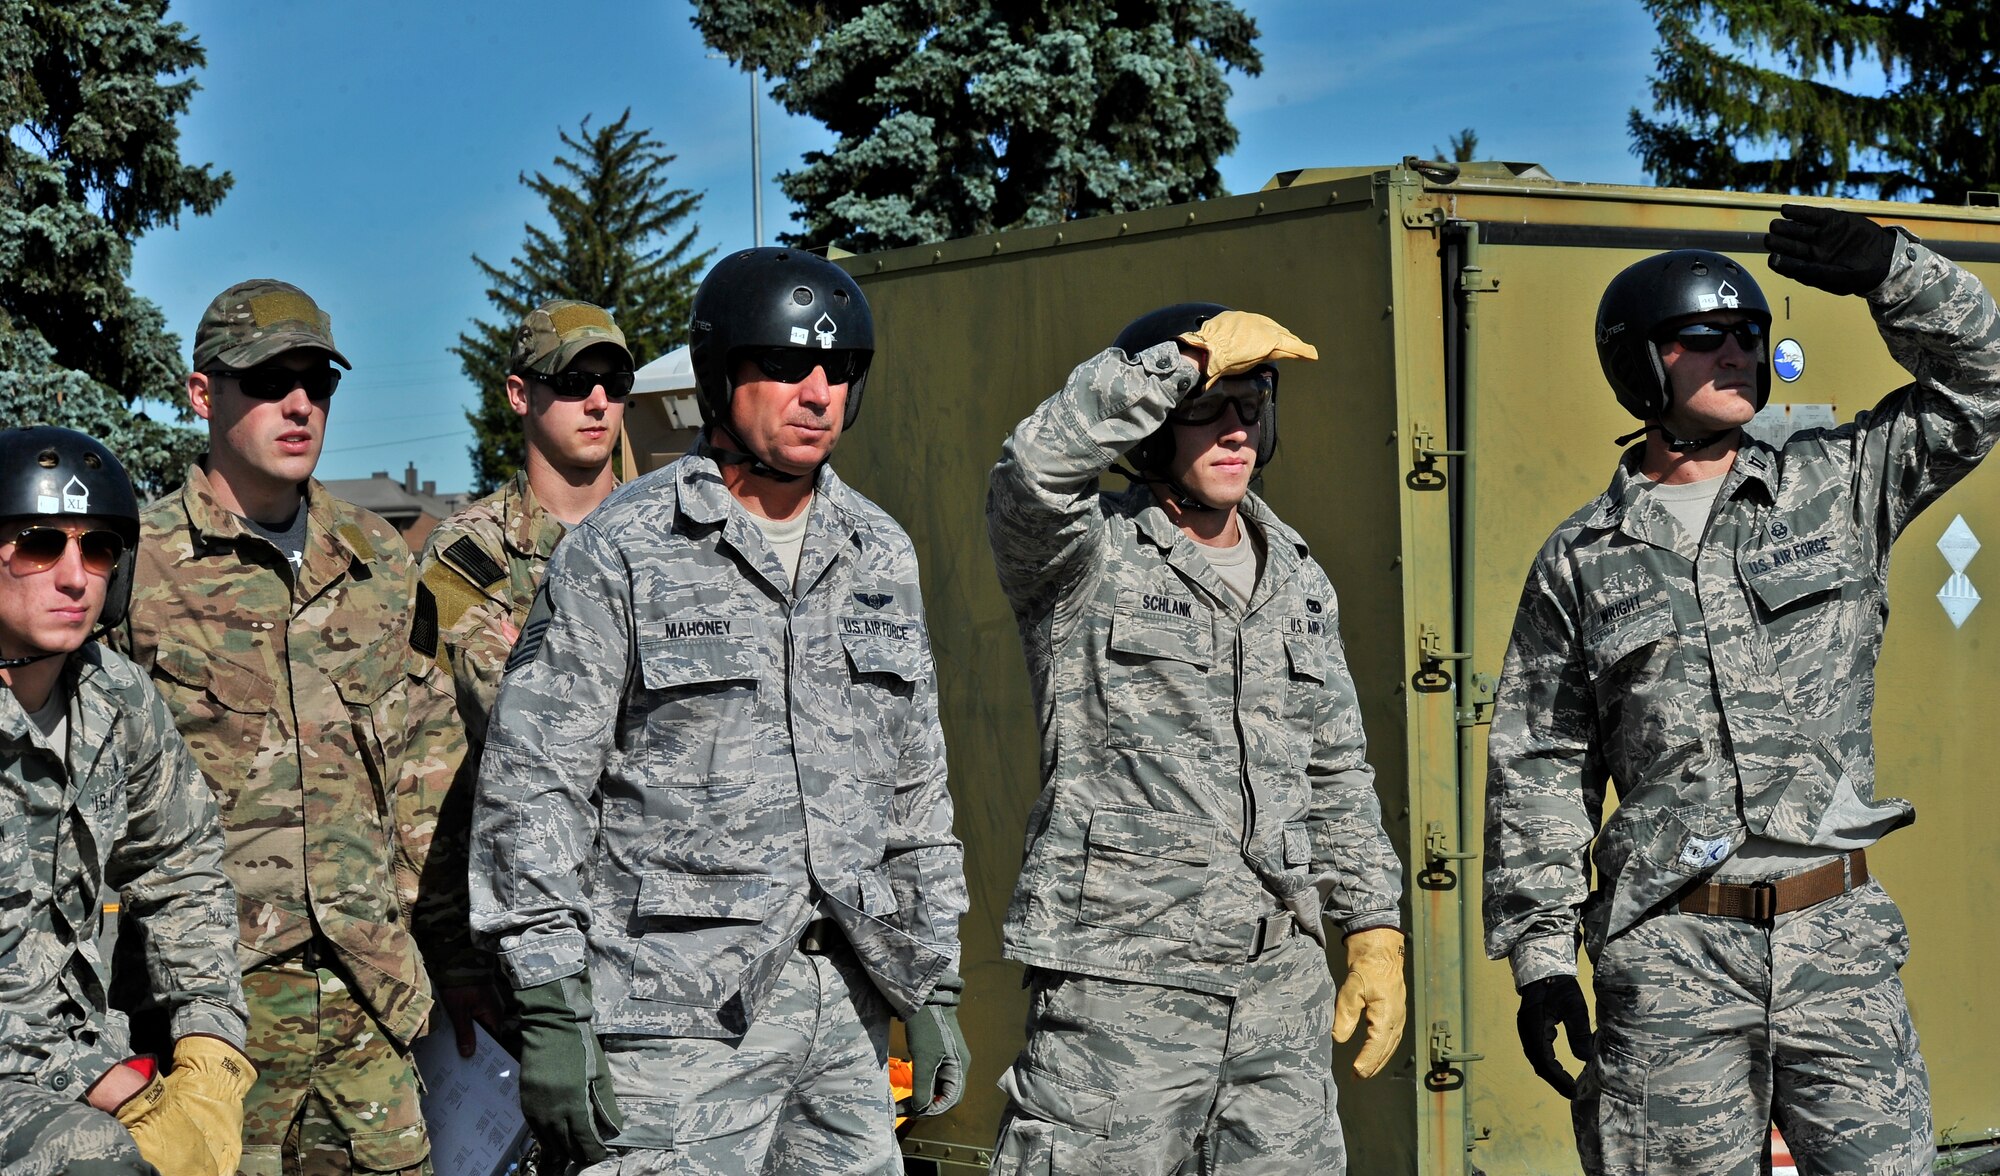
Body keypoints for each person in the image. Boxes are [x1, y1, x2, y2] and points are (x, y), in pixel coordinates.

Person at [1483, 205, 2000, 1175]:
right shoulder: (1581, 558)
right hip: (1671, 957)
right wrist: (1541, 959)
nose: (1733, 351)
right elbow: (1539, 761)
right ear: (1639, 363)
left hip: (1833, 940)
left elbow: (1983, 381)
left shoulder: (1839, 481)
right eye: (1699, 337)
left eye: (1748, 334)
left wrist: (1894, 270)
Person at [470, 247, 968, 1176]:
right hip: (671, 1023)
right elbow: (534, 786)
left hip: (846, 1015)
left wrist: (931, 982)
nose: (816, 391)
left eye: (837, 369)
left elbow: (914, 792)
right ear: (719, 375)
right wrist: (550, 1004)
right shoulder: (621, 550)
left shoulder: (878, 554)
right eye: (784, 366)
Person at [984, 305, 1407, 1175]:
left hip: (1278, 987)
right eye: (1208, 409)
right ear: (1158, 425)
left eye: (1251, 407)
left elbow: (1334, 766)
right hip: (1122, 987)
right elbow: (1032, 469)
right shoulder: (1086, 554)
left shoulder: (1295, 572)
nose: (1236, 430)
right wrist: (1181, 361)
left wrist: (1372, 928)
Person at [114, 280, 473, 1175]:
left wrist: (457, 960)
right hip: (210, 1022)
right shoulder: (134, 567)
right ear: (203, 394)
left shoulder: (375, 558)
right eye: (270, 380)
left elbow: (428, 769)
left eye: (317, 381)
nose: (300, 402)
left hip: (373, 1008)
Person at [1, 426, 255, 1176]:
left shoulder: (120, 698)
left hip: (77, 1057)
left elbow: (183, 868)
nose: (75, 577)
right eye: (41, 545)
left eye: (100, 549)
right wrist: (90, 1080)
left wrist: (210, 1047)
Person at [416, 300, 631, 1057]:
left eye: (614, 380)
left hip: (662, 927)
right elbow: (497, 719)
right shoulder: (467, 555)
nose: (598, 401)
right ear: (519, 394)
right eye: (573, 382)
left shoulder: (671, 537)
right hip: (529, 934)